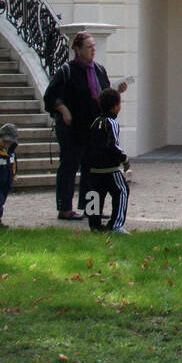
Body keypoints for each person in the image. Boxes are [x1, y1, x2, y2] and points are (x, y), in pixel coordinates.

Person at [43, 32, 128, 220]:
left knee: (92, 171)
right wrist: (63, 110)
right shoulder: (67, 70)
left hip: (92, 128)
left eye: (94, 47)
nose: (92, 50)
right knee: (69, 167)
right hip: (72, 127)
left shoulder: (98, 70)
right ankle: (65, 208)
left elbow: (102, 95)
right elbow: (51, 96)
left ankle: (91, 209)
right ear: (78, 49)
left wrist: (116, 90)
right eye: (89, 47)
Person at [85, 87, 130, 234]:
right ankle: (116, 225)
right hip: (109, 168)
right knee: (122, 190)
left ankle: (94, 225)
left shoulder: (94, 122)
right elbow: (113, 145)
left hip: (93, 169)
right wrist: (124, 158)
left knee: (94, 195)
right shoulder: (111, 123)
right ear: (115, 106)